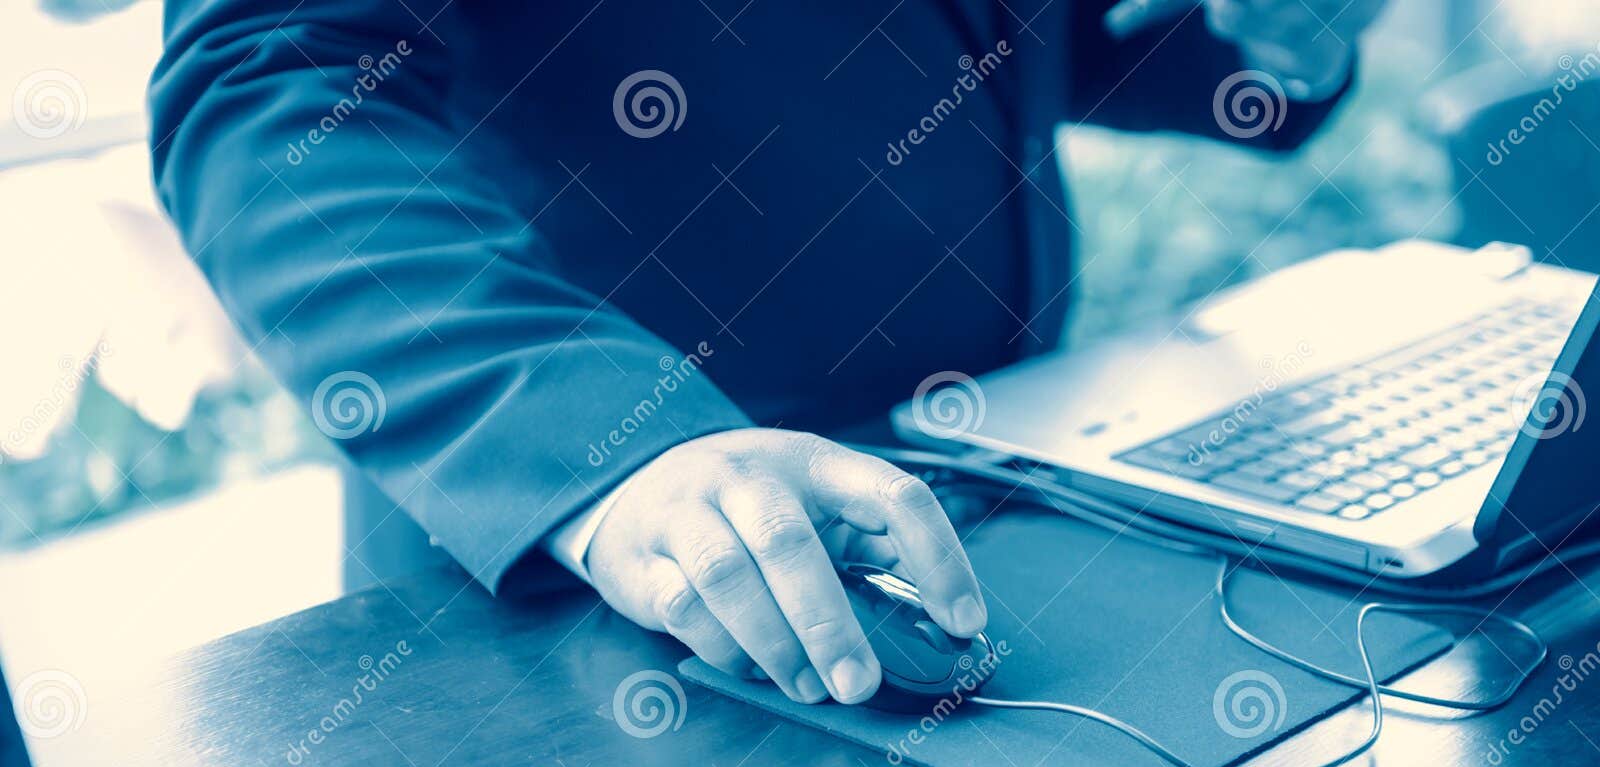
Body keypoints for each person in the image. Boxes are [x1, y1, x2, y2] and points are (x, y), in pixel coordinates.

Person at [149, 0, 1381, 706]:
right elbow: (274, 88)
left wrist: (1264, 40)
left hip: (990, 514)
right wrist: (604, 454)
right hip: (621, 596)